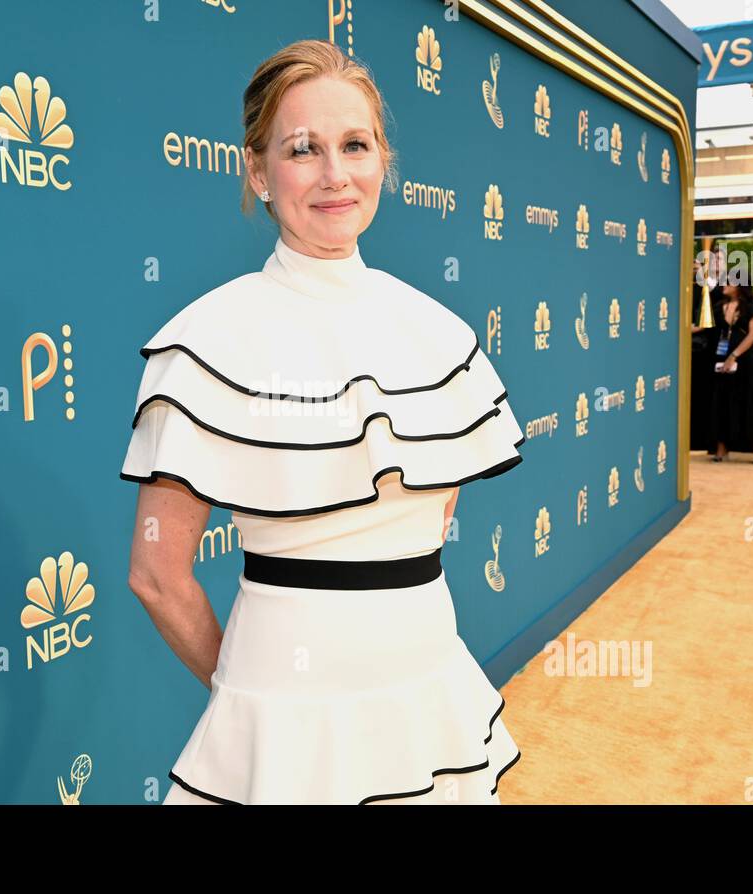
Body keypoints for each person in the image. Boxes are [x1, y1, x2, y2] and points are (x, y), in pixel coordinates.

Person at [121, 40, 525, 805]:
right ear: (256, 170)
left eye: (355, 145)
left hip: (428, 690)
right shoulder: (209, 340)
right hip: (285, 719)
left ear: (384, 161)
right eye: (303, 149)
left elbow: (435, 518)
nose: (336, 175)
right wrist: (253, 697)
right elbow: (156, 573)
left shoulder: (439, 333)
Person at [711, 280, 753, 464]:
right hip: (722, 355)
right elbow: (706, 326)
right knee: (722, 399)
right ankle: (721, 448)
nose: (723, 285)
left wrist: (734, 356)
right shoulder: (719, 306)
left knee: (751, 401)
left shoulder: (752, 306)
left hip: (745, 358)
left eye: (728, 282)